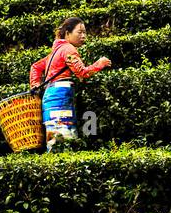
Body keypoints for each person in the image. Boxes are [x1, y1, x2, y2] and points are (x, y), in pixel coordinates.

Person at [30, 17, 111, 152]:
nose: (83, 36)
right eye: (79, 32)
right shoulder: (68, 49)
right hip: (60, 97)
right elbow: (82, 73)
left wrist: (35, 84)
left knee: (54, 139)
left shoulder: (54, 52)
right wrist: (100, 63)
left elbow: (36, 67)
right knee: (64, 138)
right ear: (67, 33)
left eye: (85, 32)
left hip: (50, 97)